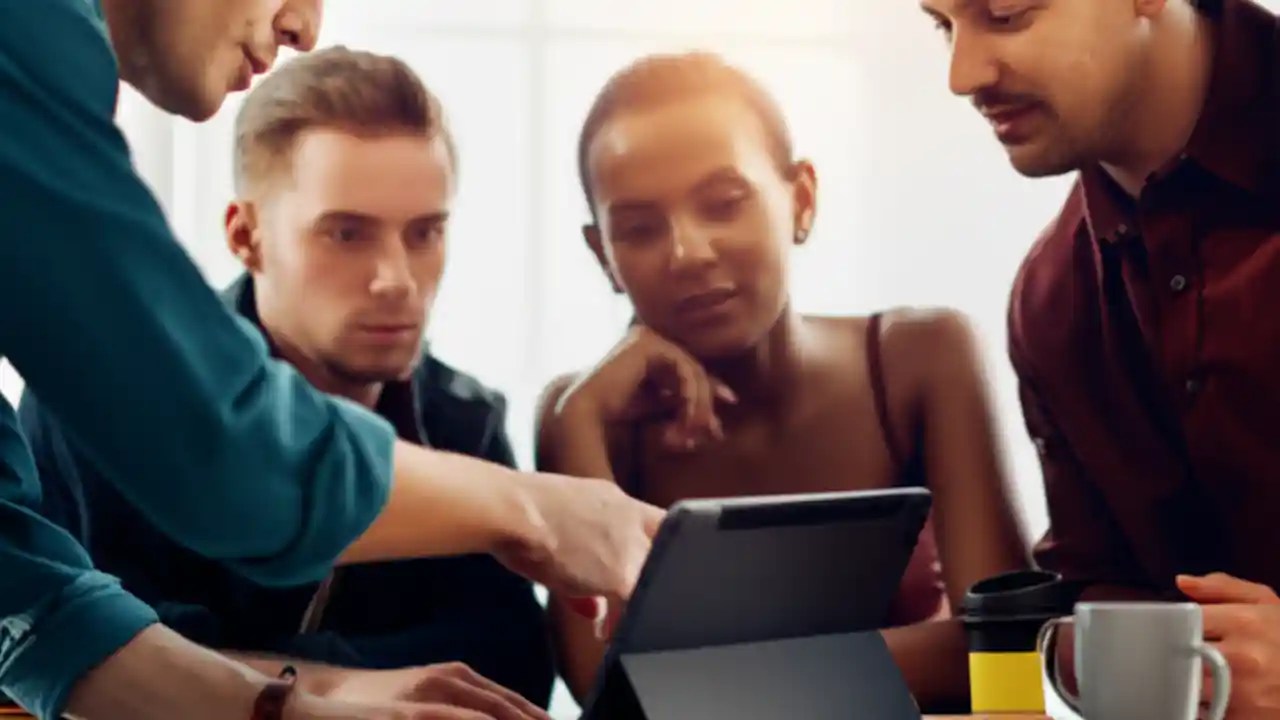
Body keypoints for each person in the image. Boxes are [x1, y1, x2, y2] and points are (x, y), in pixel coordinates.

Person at [0, 1, 660, 718]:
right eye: (346, 234)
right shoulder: (22, 36)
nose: (305, 29)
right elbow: (230, 450)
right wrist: (534, 509)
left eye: (425, 233)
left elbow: (31, 603)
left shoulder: (462, 416)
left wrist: (286, 704)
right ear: (246, 237)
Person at [534, 51, 1030, 712]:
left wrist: (705, 682)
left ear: (800, 199)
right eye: (640, 229)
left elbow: (1007, 658)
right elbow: (605, 695)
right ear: (605, 256)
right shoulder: (584, 416)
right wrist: (578, 425)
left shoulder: (923, 358)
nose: (689, 252)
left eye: (722, 204)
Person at [920, 0, 1280, 713]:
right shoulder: (1051, 303)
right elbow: (1095, 589)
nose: (962, 74)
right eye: (942, 25)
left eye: (1005, 13)